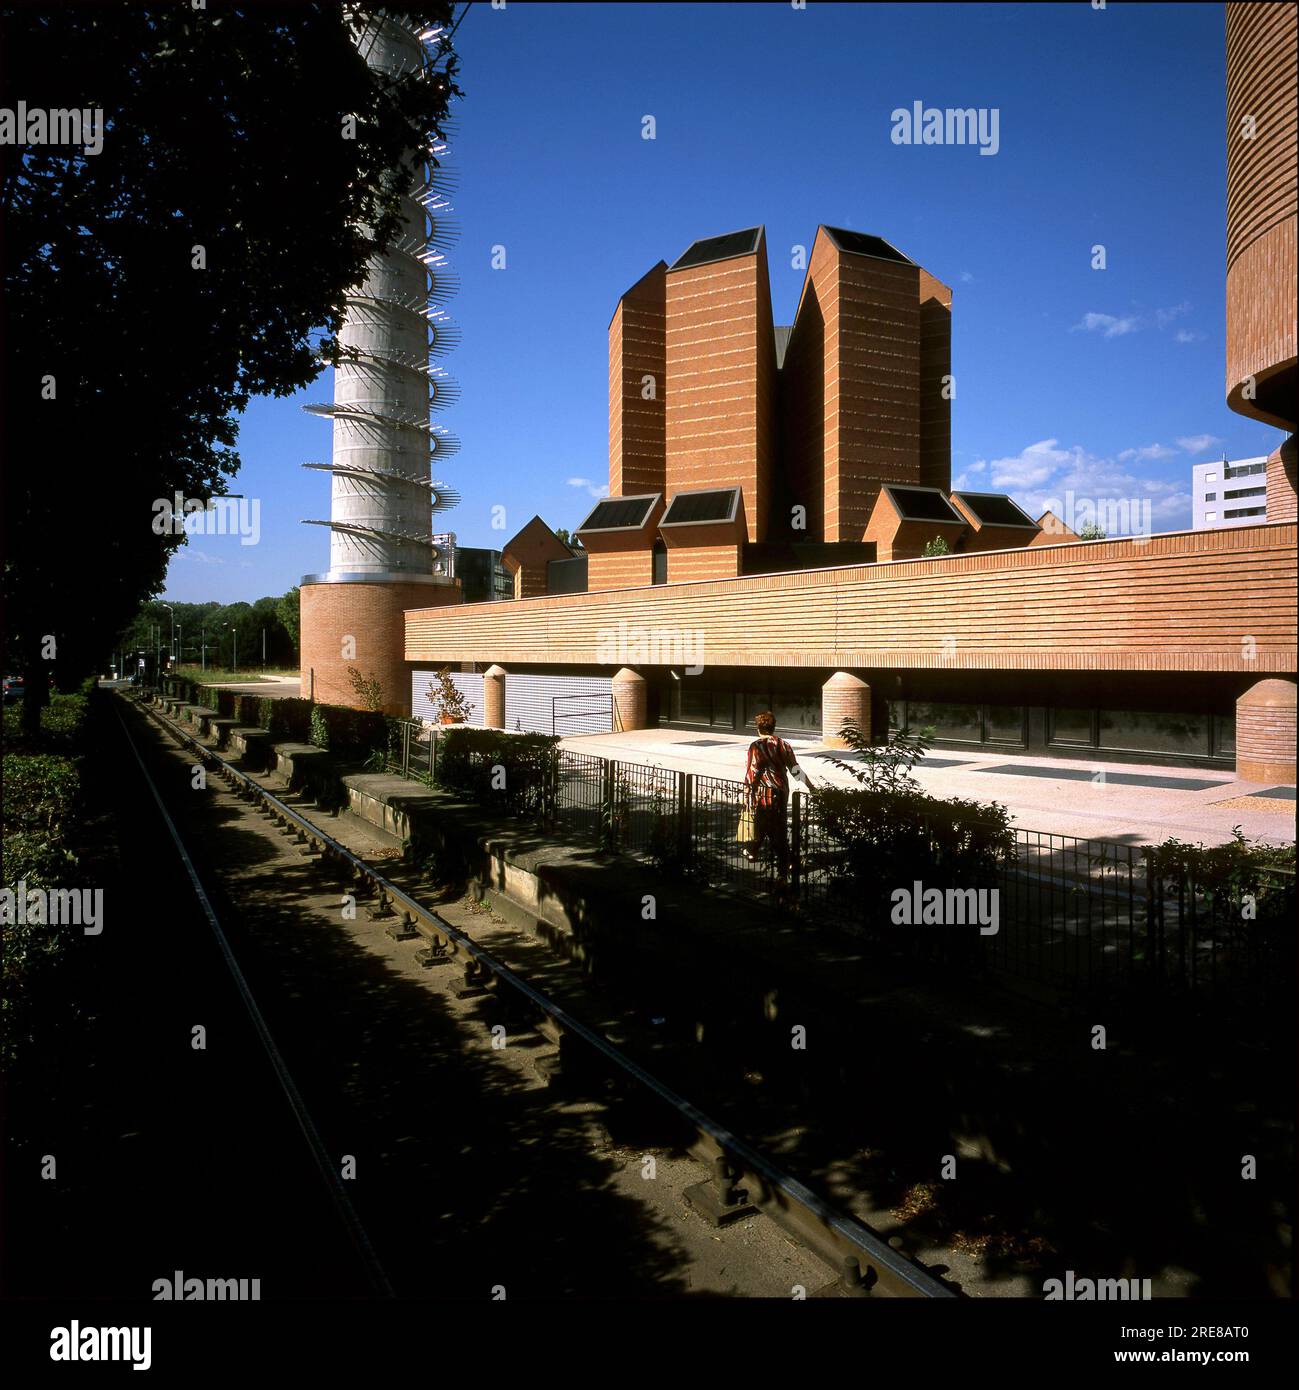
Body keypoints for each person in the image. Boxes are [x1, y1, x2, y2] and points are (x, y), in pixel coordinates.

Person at [741, 710, 805, 884]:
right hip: (782, 791)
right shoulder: (783, 744)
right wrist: (810, 786)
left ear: (758, 727)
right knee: (777, 824)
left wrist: (746, 793)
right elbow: (794, 769)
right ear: (774, 726)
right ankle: (759, 852)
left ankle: (785, 865)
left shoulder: (757, 746)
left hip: (765, 793)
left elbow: (752, 772)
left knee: (768, 826)